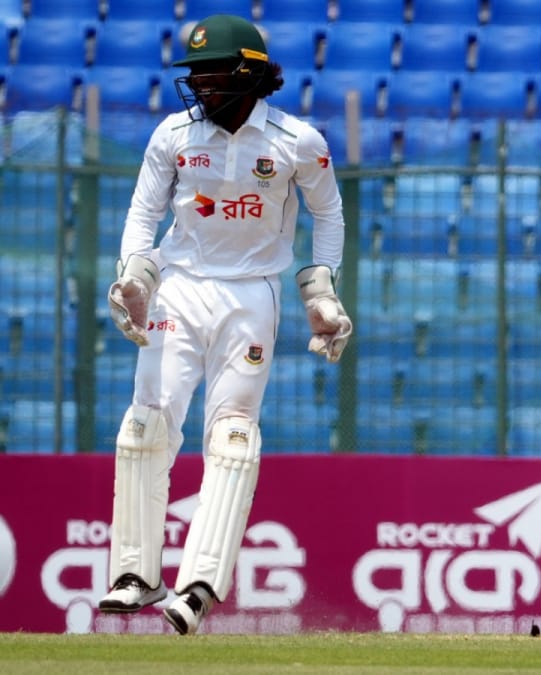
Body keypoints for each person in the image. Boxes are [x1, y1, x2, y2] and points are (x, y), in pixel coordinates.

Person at [98, 14, 352, 635]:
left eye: (212, 74)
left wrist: (320, 287)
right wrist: (135, 277)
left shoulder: (297, 141)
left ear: (249, 75)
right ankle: (136, 572)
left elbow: (330, 214)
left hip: (252, 296)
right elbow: (143, 212)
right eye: (195, 75)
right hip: (179, 290)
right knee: (143, 425)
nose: (200, 86)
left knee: (232, 438)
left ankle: (200, 583)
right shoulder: (173, 135)